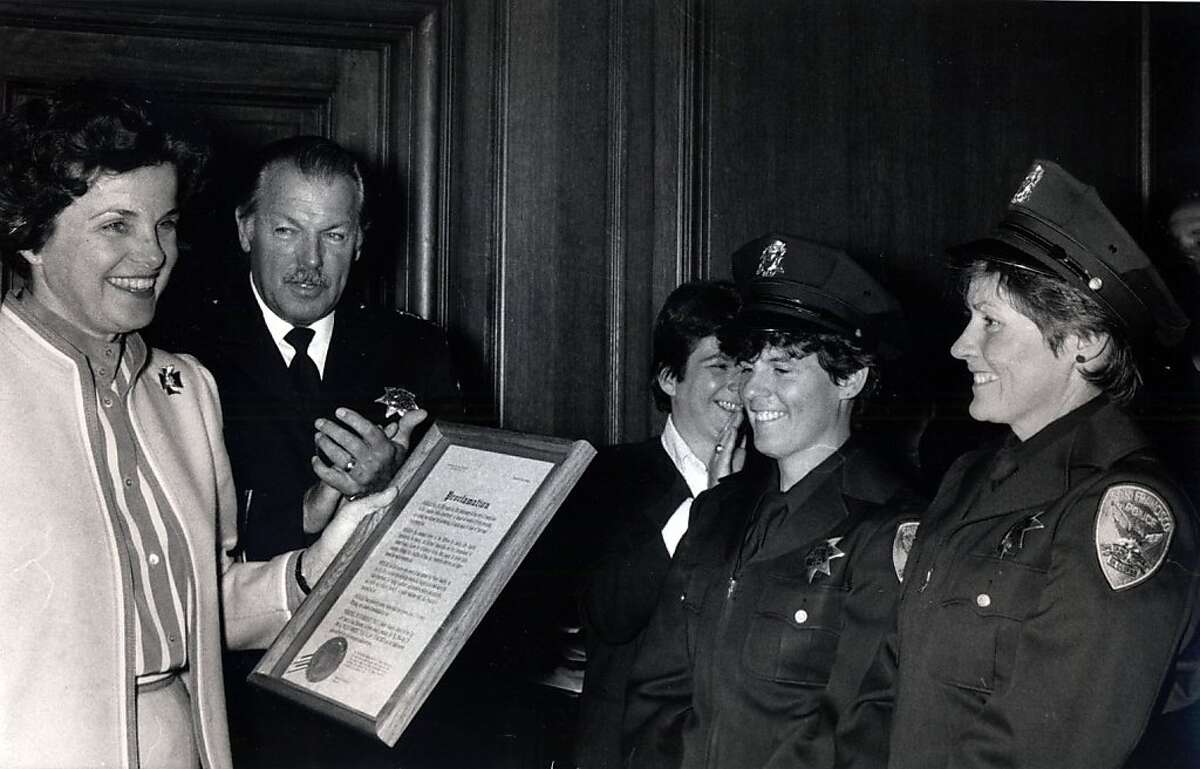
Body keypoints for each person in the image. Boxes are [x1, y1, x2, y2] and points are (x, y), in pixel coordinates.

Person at [0, 91, 409, 768]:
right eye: (115, 226)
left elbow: (200, 604)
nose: (153, 253)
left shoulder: (185, 390)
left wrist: (312, 568)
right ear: (27, 233)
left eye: (164, 224)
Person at [837, 160, 1200, 769]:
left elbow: (1046, 750)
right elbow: (883, 694)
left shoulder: (1122, 509)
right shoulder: (968, 479)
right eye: (969, 318)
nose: (961, 345)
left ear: (1086, 341)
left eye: (992, 323)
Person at [155, 136, 460, 767]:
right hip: (237, 701)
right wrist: (302, 512)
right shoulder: (174, 350)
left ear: (360, 239)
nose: (310, 262)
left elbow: (457, 532)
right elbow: (167, 541)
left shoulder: (418, 350)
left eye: (334, 235)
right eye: (288, 231)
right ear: (246, 230)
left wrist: (394, 488)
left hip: (378, 701)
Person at [624, 234, 923, 769]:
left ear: (850, 377)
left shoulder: (888, 525)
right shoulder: (719, 509)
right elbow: (658, 692)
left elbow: (859, 730)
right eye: (749, 364)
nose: (751, 391)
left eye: (782, 369)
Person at [573, 279, 744, 769]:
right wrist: (706, 505)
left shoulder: (773, 481)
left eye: (746, 367)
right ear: (670, 378)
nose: (740, 386)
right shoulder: (600, 476)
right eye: (720, 366)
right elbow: (611, 612)